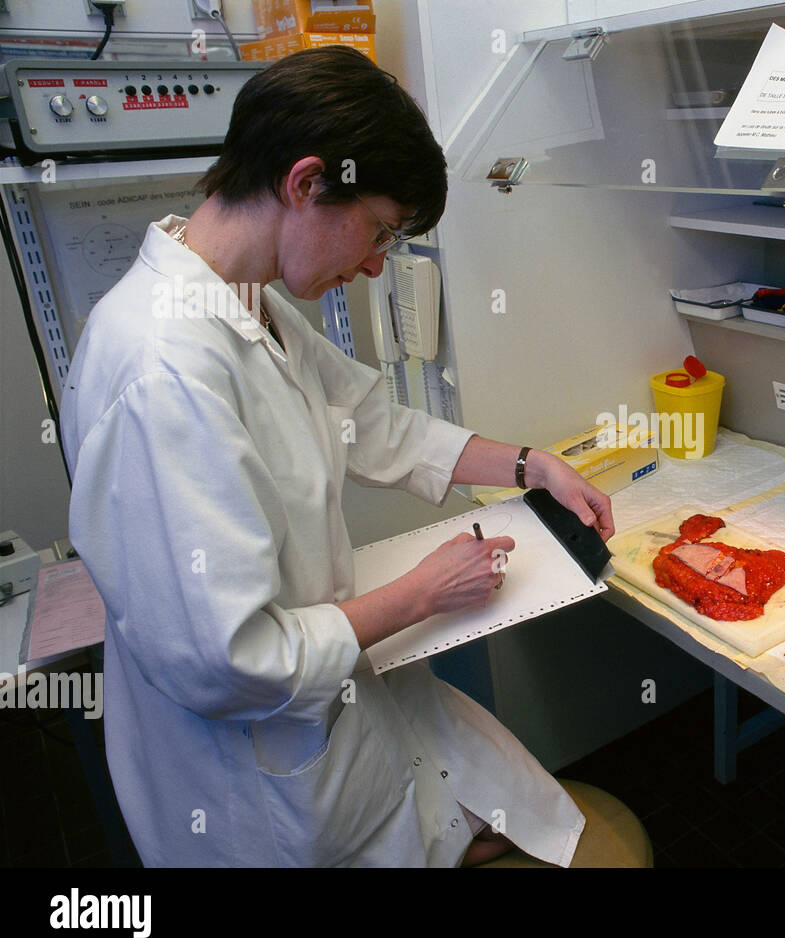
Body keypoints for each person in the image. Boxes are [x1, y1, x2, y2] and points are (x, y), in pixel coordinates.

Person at [60, 46, 614, 867]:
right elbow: (234, 661)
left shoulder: (251, 306)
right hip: (252, 791)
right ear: (306, 183)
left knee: (484, 811)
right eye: (380, 229)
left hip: (332, 725)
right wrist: (421, 595)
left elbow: (377, 426)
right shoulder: (163, 370)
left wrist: (534, 465)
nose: (375, 263)